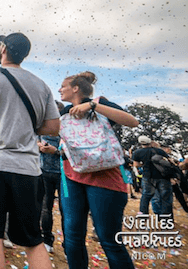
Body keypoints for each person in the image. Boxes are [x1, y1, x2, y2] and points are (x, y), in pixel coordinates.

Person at [0, 33, 60, 269]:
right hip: (27, 168)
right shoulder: (41, 84)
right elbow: (53, 128)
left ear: (4, 48)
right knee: (32, 239)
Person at [59, 71, 138, 269]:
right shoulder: (64, 112)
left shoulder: (100, 103)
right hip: (71, 175)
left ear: (75, 88)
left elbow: (132, 121)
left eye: (63, 86)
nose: (60, 89)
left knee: (109, 239)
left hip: (105, 178)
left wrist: (94, 106)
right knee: (72, 237)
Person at [132, 135, 173, 216]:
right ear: (150, 142)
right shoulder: (159, 151)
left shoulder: (137, 152)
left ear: (141, 143)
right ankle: (167, 217)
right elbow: (169, 162)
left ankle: (143, 213)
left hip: (148, 176)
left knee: (146, 196)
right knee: (166, 197)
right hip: (163, 176)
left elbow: (136, 165)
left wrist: (144, 164)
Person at [37, 134, 61, 253]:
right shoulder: (42, 122)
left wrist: (55, 151)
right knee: (46, 208)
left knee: (66, 211)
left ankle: (68, 247)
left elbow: (71, 149)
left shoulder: (66, 119)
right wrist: (39, 146)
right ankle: (47, 240)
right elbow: (34, 140)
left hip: (64, 174)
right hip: (44, 172)